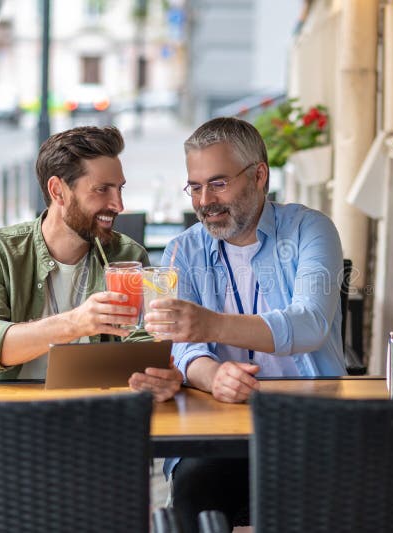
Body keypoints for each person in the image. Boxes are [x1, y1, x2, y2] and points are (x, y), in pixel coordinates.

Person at [143, 117, 346, 531]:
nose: (204, 200)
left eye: (218, 183)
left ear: (258, 176)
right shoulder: (183, 249)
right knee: (192, 500)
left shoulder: (311, 229)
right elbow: (182, 349)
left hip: (306, 424)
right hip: (214, 427)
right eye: (195, 186)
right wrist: (214, 375)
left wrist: (211, 325)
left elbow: (309, 324)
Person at [0, 126, 182, 401]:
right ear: (58, 191)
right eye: (102, 190)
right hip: (10, 416)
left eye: (119, 189)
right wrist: (76, 323)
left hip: (96, 412)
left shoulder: (126, 256)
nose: (118, 204)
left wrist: (161, 376)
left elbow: (143, 341)